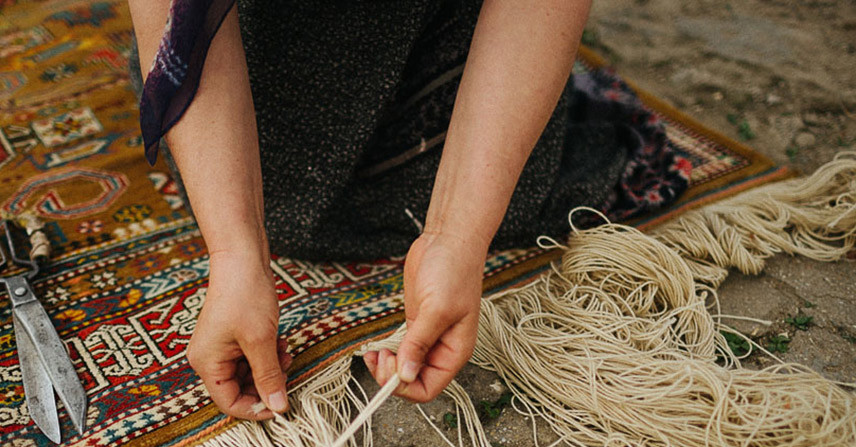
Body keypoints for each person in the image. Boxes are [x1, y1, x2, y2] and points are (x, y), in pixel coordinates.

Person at [128, 0, 688, 421]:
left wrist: (455, 236)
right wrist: (235, 252)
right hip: (252, 57)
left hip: (438, 52)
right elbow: (181, 23)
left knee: (499, 184)